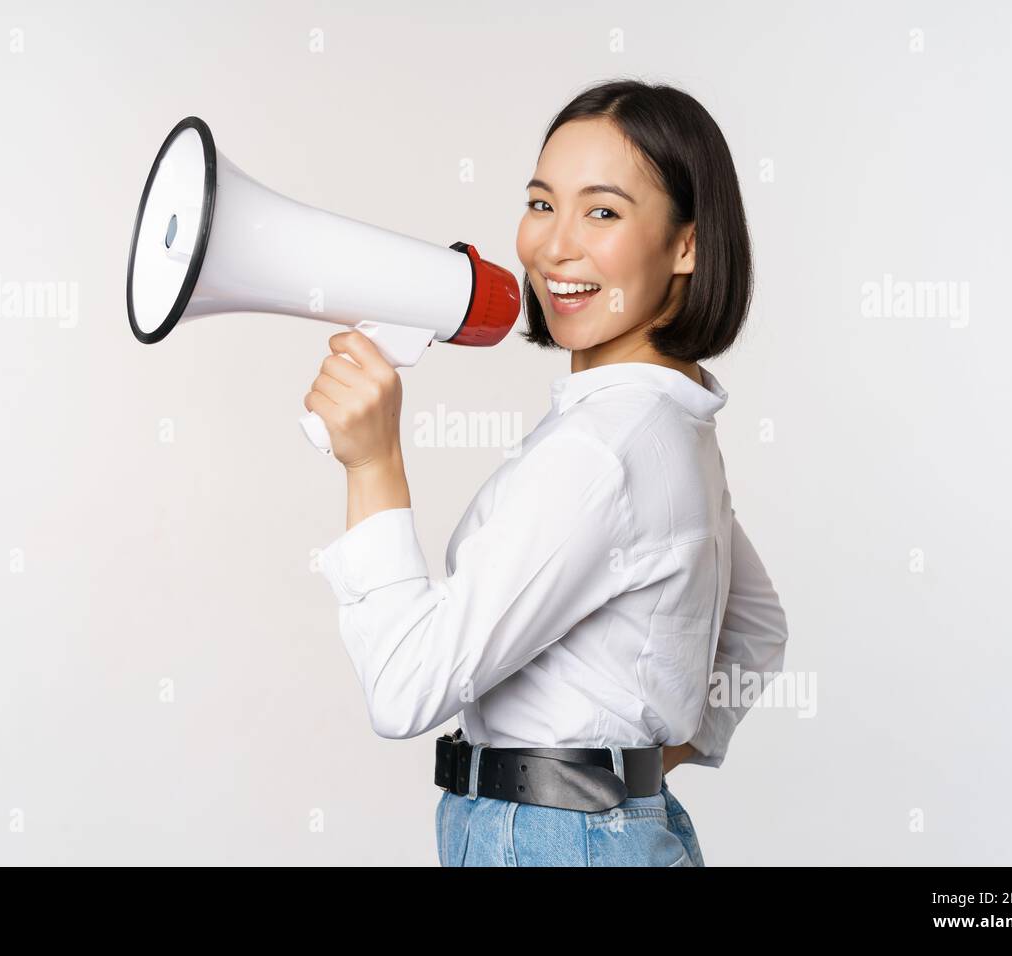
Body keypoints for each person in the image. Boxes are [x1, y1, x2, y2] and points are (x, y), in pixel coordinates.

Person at [308, 79, 789, 867]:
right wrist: (629, 774)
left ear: (686, 245)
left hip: (549, 841)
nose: (553, 246)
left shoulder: (599, 450)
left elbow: (404, 690)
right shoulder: (672, 422)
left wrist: (372, 461)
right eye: (540, 203)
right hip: (607, 831)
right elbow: (758, 628)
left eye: (602, 211)